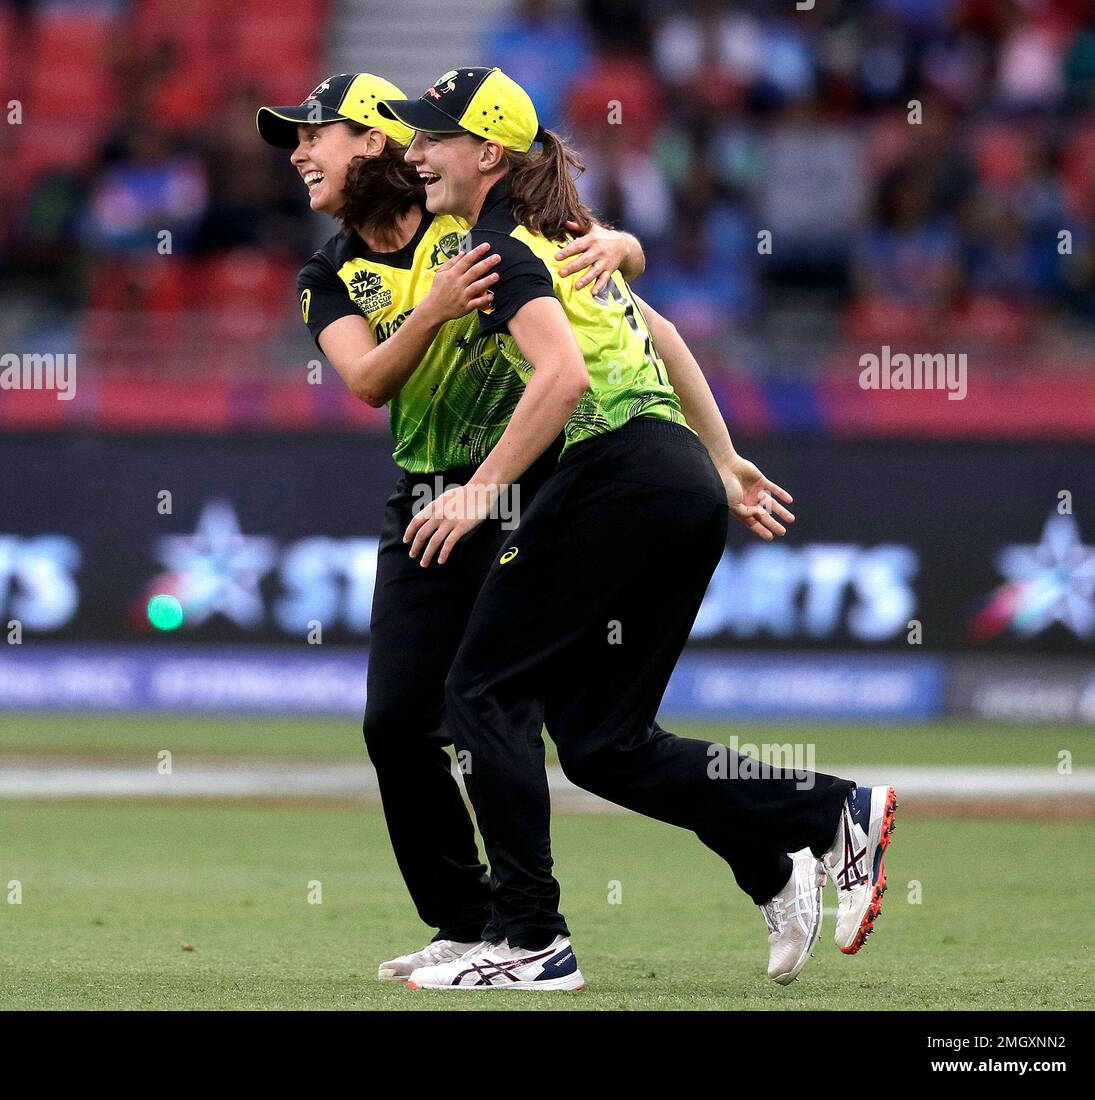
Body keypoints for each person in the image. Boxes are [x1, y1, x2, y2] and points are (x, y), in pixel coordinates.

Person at [378, 67, 897, 991]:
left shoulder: (503, 242)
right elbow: (658, 329)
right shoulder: (550, 231)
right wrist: (724, 459)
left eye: (431, 136)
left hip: (613, 473)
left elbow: (565, 379)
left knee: (482, 692)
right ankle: (826, 814)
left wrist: (477, 490)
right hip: (672, 479)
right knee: (606, 746)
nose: (414, 152)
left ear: (486, 152)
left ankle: (531, 939)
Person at [256, 73, 650, 981]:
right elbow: (367, 382)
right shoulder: (328, 274)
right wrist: (432, 310)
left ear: (376, 141)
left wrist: (623, 244)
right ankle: (469, 922)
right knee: (397, 722)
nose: (299, 153)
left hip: (531, 485)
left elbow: (599, 267)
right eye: (295, 140)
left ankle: (534, 933)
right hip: (429, 502)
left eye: (315, 134)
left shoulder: (467, 213)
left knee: (513, 712)